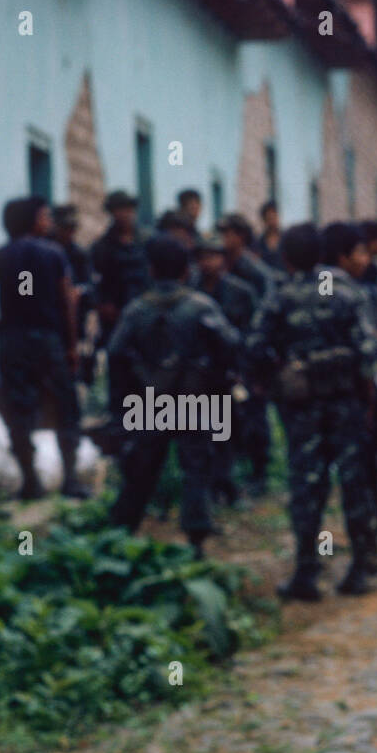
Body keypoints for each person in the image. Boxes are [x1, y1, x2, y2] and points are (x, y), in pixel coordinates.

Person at [247, 224, 377, 600]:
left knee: (306, 486)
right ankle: (358, 567)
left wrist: (273, 379)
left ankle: (307, 572)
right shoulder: (347, 292)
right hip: (347, 403)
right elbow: (369, 351)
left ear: (287, 258)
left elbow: (256, 347)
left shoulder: (281, 297)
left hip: (302, 406)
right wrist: (370, 398)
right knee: (353, 483)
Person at [108, 236, 241, 556]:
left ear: (151, 270)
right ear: (187, 271)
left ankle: (120, 537)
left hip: (149, 398)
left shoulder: (137, 309)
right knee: (196, 466)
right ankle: (196, 539)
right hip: (196, 399)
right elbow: (230, 344)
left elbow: (115, 354)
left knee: (141, 468)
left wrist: (122, 403)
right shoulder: (201, 305)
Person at [0, 197, 89, 500]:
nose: (49, 220)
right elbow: (68, 302)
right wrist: (73, 345)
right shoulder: (54, 254)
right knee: (67, 409)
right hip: (48, 340)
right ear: (31, 220)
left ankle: (30, 481)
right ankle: (71, 480)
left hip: (12, 341)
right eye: (44, 215)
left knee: (19, 410)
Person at [320, 222, 377, 573]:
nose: (367, 259)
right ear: (343, 256)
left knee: (314, 480)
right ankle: (366, 553)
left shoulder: (300, 288)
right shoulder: (352, 293)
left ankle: (311, 562)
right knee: (362, 477)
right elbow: (368, 354)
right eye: (360, 252)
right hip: (354, 402)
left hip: (312, 405)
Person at [191, 235, 257, 505]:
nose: (209, 263)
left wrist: (244, 370)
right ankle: (207, 488)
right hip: (197, 374)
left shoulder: (240, 292)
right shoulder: (191, 291)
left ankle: (228, 484)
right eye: (204, 257)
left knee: (229, 431)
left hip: (228, 371)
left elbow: (250, 334)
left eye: (214, 256)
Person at [217, 212, 278, 495]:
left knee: (254, 413)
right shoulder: (218, 269)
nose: (224, 240)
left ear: (241, 237)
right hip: (224, 353)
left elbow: (266, 313)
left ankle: (260, 470)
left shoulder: (256, 272)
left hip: (251, 352)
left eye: (229, 233)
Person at [90, 190, 152, 351]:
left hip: (147, 308)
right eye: (119, 210)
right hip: (116, 313)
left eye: (128, 209)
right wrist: (102, 304)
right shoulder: (102, 246)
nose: (124, 214)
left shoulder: (147, 240)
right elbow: (95, 279)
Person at [50, 204, 99, 388]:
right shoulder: (44, 251)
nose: (69, 233)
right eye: (65, 228)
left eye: (72, 229)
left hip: (74, 321)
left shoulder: (79, 254)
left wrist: (79, 291)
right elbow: (26, 285)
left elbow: (90, 286)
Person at [257, 200, 284, 271]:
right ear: (264, 220)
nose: (272, 222)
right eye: (269, 218)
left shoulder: (286, 239)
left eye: (274, 217)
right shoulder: (259, 242)